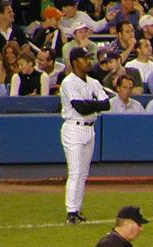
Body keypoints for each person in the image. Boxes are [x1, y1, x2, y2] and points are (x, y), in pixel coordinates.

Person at [60, 47, 110, 225]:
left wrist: (91, 104)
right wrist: (94, 104)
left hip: (89, 128)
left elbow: (106, 105)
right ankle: (71, 211)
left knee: (83, 174)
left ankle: (77, 210)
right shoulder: (69, 82)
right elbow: (80, 108)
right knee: (75, 172)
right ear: (75, 62)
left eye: (89, 58)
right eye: (84, 59)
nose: (88, 61)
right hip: (73, 128)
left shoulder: (93, 82)